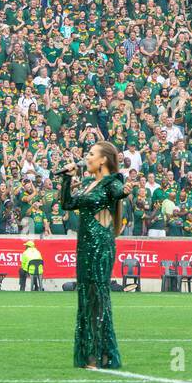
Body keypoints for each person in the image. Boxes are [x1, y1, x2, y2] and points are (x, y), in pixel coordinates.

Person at [62, 141, 129, 370]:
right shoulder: (91, 184)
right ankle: (91, 354)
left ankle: (98, 355)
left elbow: (118, 192)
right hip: (84, 247)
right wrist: (67, 179)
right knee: (86, 298)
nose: (86, 157)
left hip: (101, 246)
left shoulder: (111, 182)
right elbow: (68, 203)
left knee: (97, 298)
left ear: (103, 160)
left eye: (91, 154)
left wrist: (125, 192)